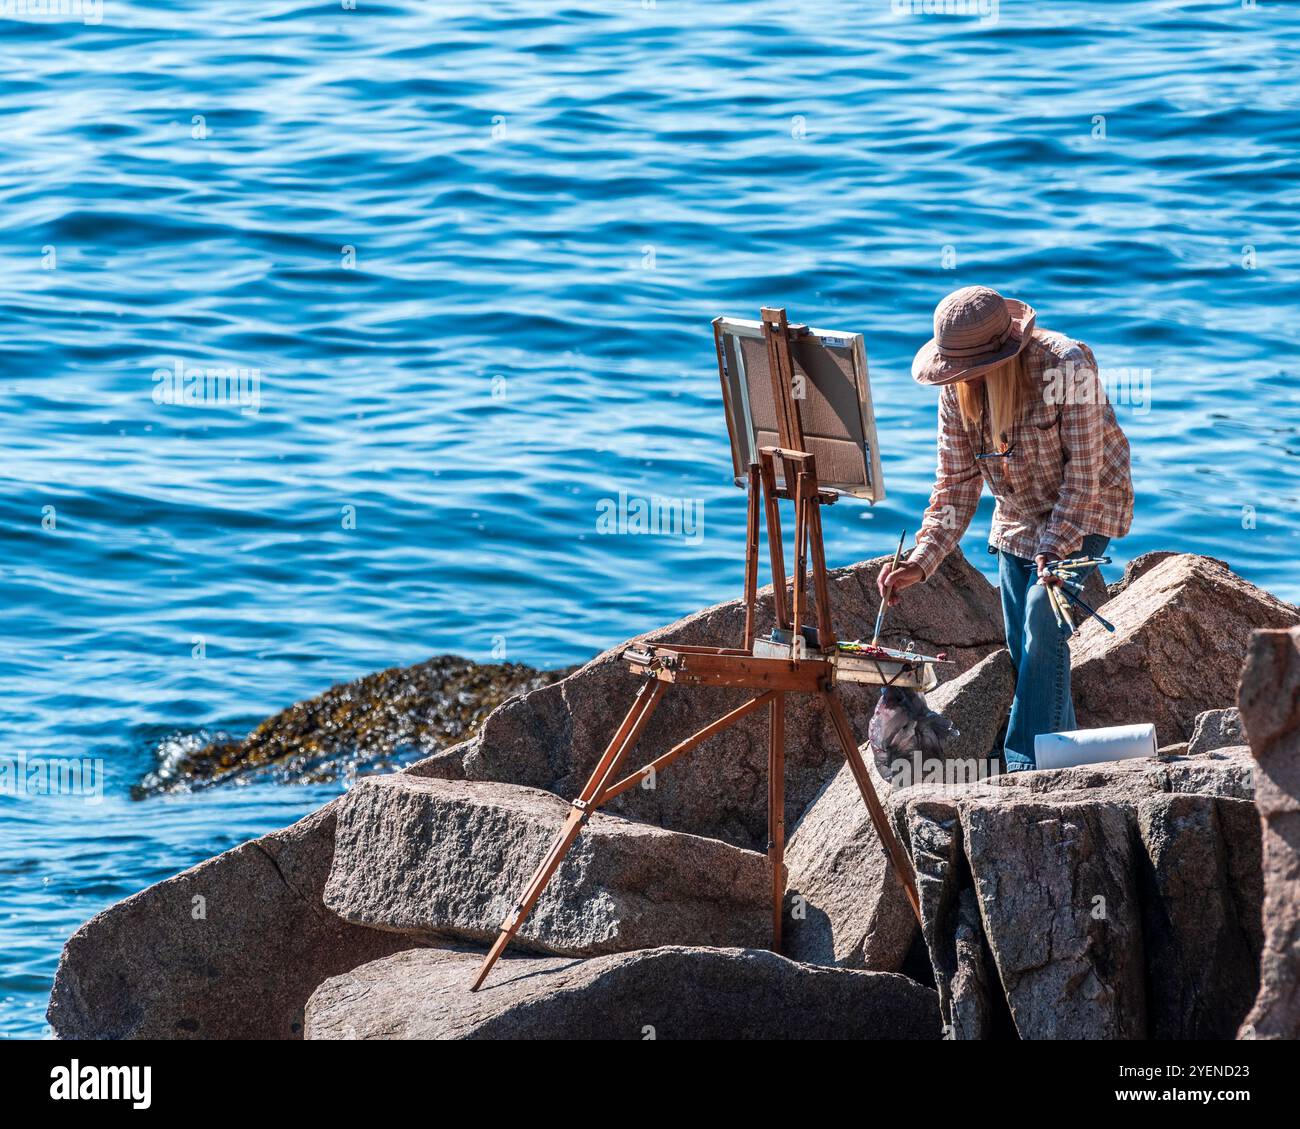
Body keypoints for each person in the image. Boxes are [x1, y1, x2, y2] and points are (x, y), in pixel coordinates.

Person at [878, 285, 1134, 771]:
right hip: (1018, 518)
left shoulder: (1066, 367)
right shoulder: (957, 393)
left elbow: (1084, 480)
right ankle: (1067, 764)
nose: (961, 381)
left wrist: (1055, 550)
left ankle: (1022, 765)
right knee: (1027, 648)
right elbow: (954, 485)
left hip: (1089, 506)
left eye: (969, 372)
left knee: (1044, 614)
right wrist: (919, 561)